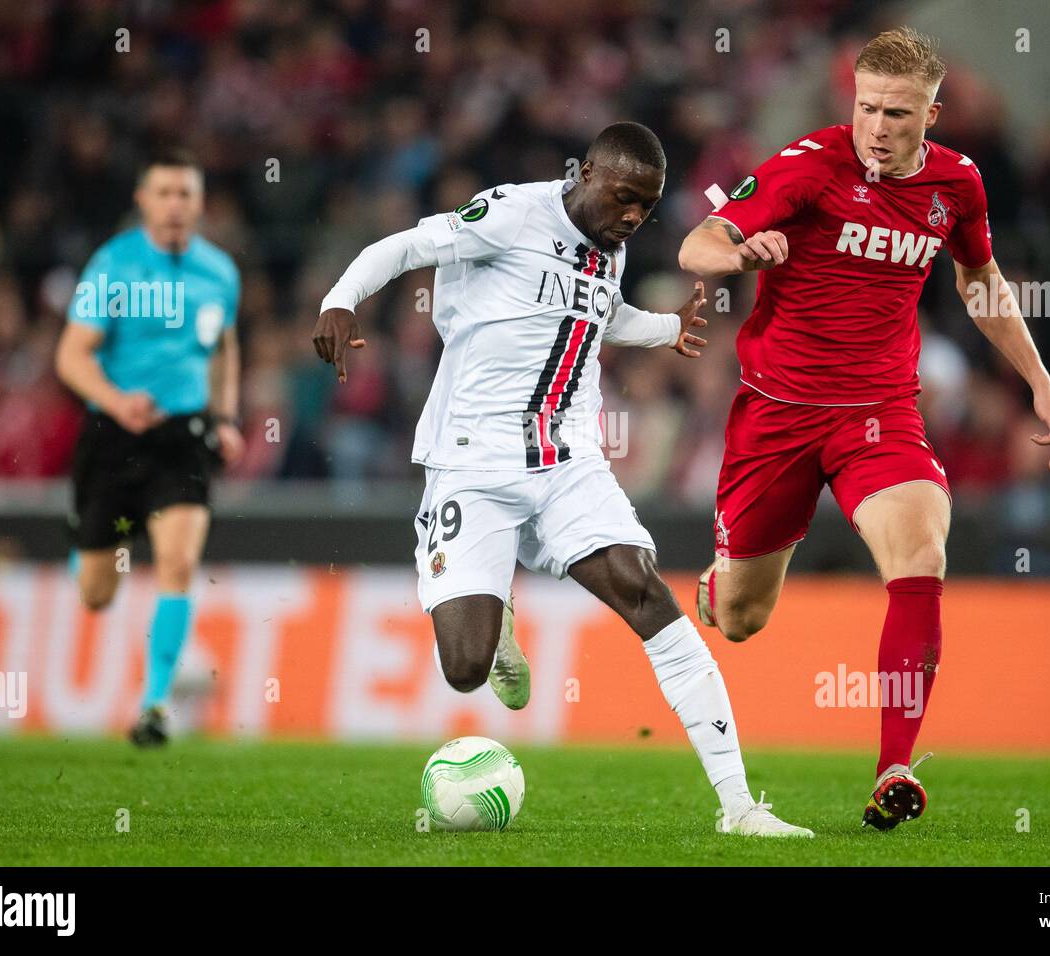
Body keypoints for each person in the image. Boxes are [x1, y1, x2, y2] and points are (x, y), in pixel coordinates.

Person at [314, 121, 812, 837]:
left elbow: (596, 315)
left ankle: (738, 805)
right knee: (463, 666)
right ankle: (499, 600)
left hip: (567, 460)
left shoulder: (609, 245)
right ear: (582, 174)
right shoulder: (512, 213)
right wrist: (340, 298)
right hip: (472, 462)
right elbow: (407, 246)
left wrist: (666, 330)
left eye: (646, 205)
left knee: (647, 595)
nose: (633, 216)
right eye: (622, 198)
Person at [678, 28, 1050, 830]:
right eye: (866, 108)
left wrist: (1039, 383)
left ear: (932, 113)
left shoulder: (957, 185)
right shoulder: (807, 165)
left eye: (897, 112)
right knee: (744, 619)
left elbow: (980, 281)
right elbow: (697, 244)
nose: (878, 127)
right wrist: (741, 253)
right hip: (777, 414)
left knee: (922, 553)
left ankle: (895, 764)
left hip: (880, 412)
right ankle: (720, 586)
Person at [55, 150, 244, 747]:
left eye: (186, 194)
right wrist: (116, 402)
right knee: (96, 592)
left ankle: (155, 705)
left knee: (178, 564)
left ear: (200, 203)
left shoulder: (220, 273)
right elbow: (71, 355)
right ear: (142, 201)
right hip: (113, 437)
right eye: (164, 192)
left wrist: (225, 417)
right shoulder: (112, 267)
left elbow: (223, 349)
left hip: (181, 438)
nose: (175, 205)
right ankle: (83, 550)